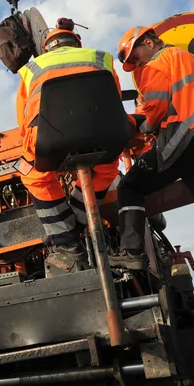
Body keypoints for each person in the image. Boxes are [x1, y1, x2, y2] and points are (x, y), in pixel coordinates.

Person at [110, 25, 194, 306]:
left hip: (182, 138)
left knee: (130, 186)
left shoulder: (158, 64)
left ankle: (132, 253)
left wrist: (134, 125)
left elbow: (155, 111)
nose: (138, 64)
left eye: (136, 57)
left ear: (148, 42)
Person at [15, 18, 126, 274]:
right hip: (104, 136)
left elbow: (23, 121)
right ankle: (79, 216)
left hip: (51, 140)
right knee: (107, 168)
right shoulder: (102, 58)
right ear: (77, 42)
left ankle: (67, 241)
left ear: (46, 47)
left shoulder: (31, 68)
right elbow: (115, 100)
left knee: (34, 176)